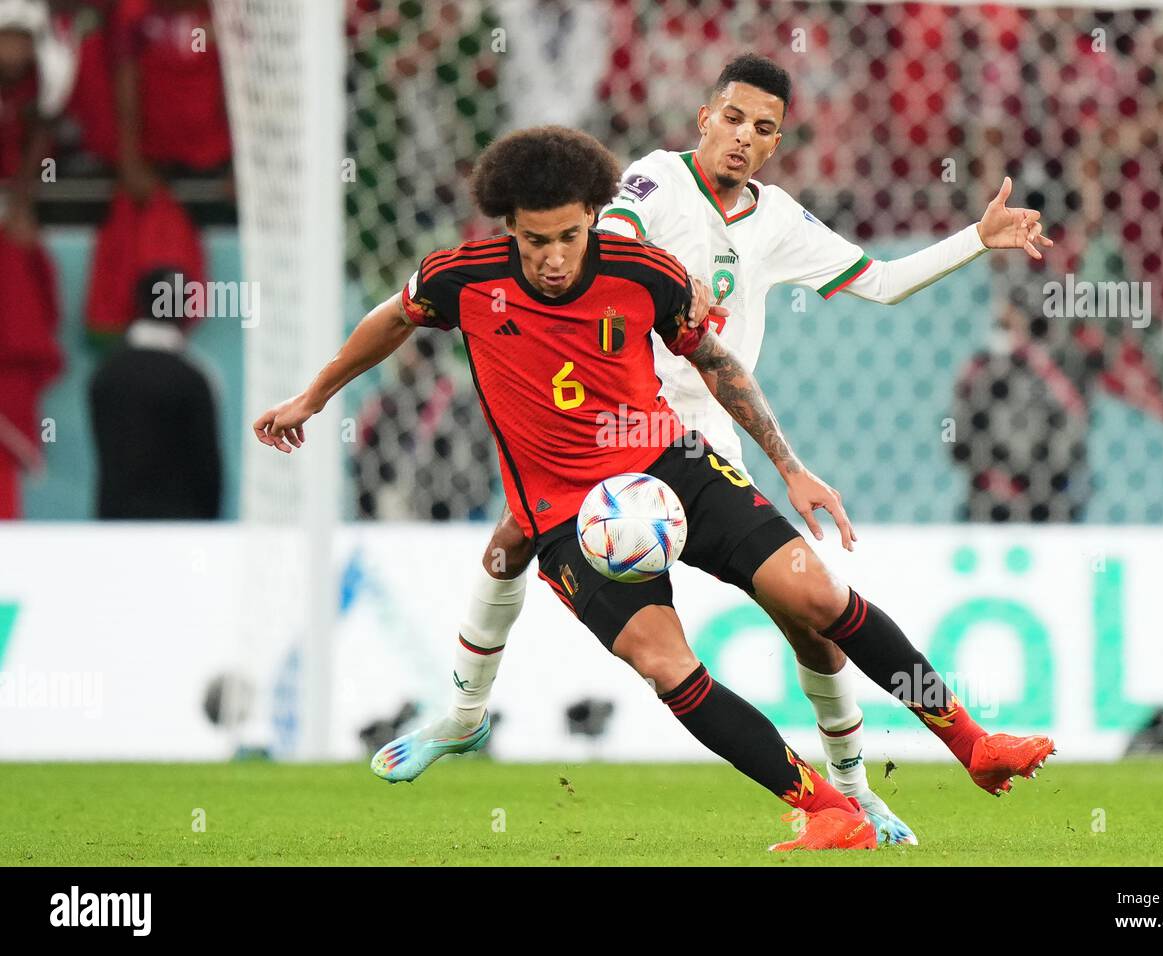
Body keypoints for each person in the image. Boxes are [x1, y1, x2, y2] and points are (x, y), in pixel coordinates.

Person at [253, 126, 1054, 851]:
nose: (555, 257)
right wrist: (314, 396)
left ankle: (973, 743)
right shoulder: (466, 279)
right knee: (667, 663)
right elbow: (390, 320)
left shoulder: (644, 273)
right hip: (569, 517)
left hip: (671, 466)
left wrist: (786, 464)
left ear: (594, 217)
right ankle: (822, 808)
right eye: (536, 242)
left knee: (815, 597)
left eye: (570, 236)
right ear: (509, 230)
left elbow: (715, 364)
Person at [90, 268, 222, 519]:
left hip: (116, 522)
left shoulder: (106, 374)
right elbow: (207, 465)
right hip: (181, 525)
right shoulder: (195, 377)